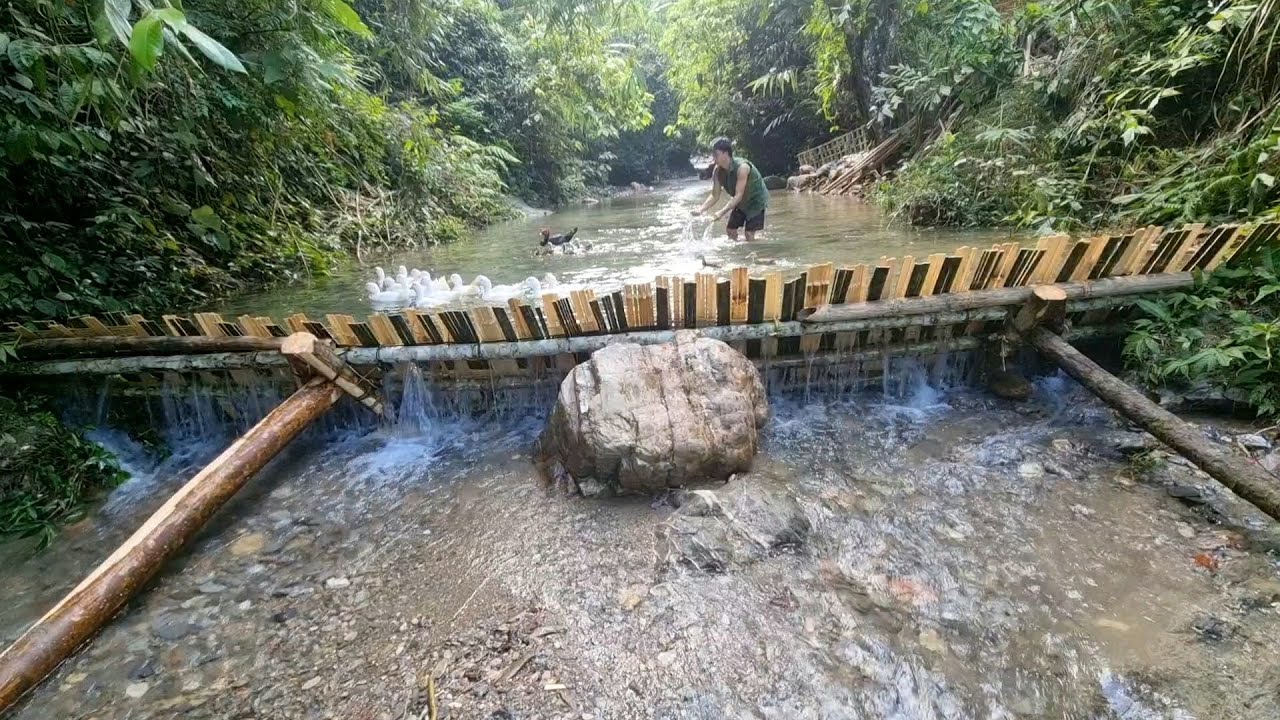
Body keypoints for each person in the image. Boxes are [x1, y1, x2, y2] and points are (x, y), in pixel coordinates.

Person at [692, 137, 769, 241]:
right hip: (740, 202)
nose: (713, 158)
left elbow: (738, 195)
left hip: (756, 201)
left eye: (716, 154)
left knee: (749, 234)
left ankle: (756, 253)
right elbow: (715, 195)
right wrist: (701, 209)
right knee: (730, 231)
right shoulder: (717, 171)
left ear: (725, 153)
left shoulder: (742, 168)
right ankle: (739, 252)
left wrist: (721, 212)